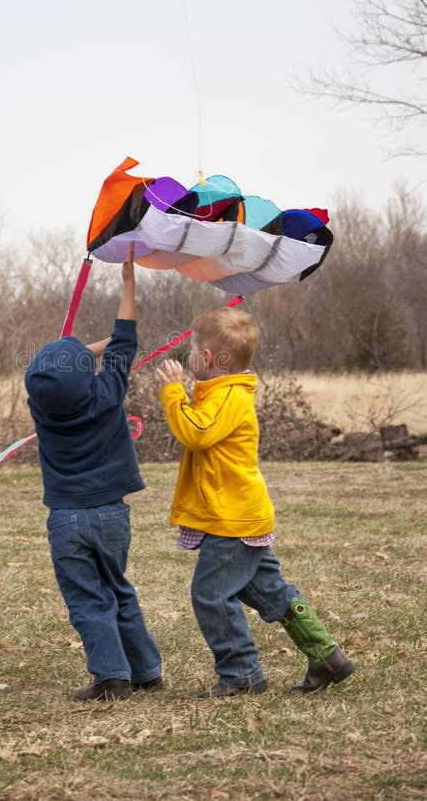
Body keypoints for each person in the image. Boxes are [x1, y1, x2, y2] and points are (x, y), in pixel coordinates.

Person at [156, 305, 355, 698]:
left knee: (211, 595)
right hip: (238, 514)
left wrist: (173, 393)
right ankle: (327, 656)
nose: (187, 355)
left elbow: (196, 434)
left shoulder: (229, 398)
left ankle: (242, 673)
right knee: (269, 591)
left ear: (209, 359)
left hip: (232, 519)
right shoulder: (221, 392)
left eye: (192, 348)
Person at [24, 246, 162, 702]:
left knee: (89, 600)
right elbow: (124, 343)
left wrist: (83, 353)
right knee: (118, 588)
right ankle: (144, 670)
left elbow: (53, 371)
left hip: (67, 520)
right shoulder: (107, 394)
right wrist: (127, 284)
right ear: (91, 374)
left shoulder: (41, 406)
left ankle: (112, 678)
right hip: (111, 516)